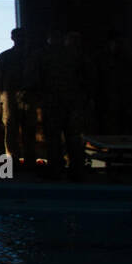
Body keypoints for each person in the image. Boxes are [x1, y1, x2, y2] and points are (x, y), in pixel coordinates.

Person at [39, 30, 91, 180]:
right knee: (73, 137)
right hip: (73, 102)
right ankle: (77, 169)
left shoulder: (44, 56)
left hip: (53, 102)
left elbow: (35, 78)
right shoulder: (77, 56)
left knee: (53, 137)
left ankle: (56, 169)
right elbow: (89, 77)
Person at [0, 28, 38, 165]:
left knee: (20, 129)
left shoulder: (7, 56)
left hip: (17, 97)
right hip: (14, 97)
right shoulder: (30, 57)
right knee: (15, 129)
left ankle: (19, 160)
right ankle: (19, 160)